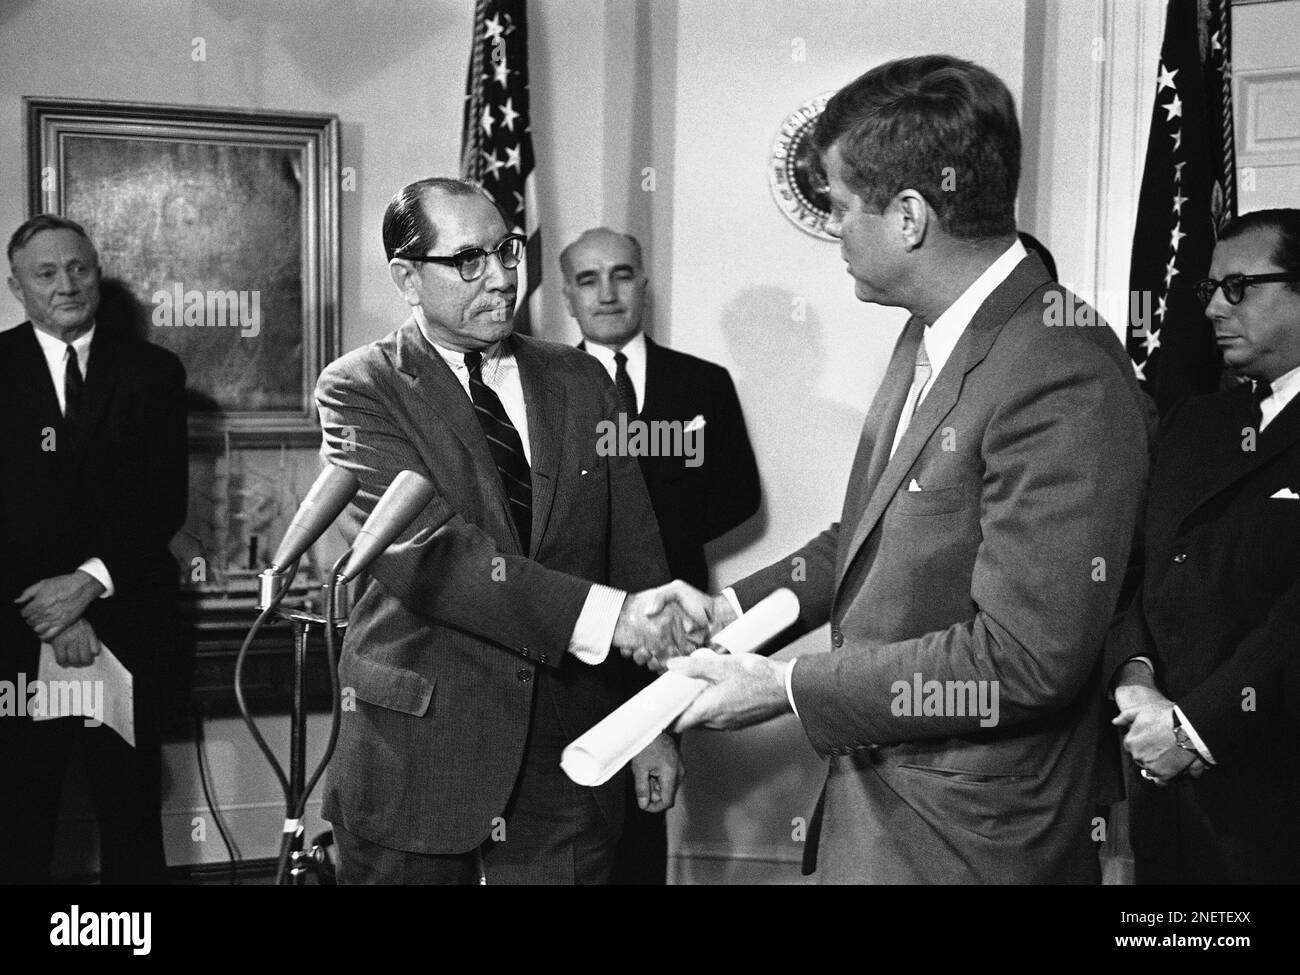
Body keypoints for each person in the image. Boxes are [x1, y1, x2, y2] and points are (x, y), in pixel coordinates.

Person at [664, 55, 1153, 883]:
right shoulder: (931, 331)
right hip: (882, 814)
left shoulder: (1061, 368)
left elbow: (1024, 659)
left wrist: (788, 689)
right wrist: (727, 610)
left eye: (843, 207)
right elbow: (869, 538)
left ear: (910, 216)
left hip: (968, 841)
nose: (836, 232)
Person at [317, 177, 696, 884]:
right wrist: (609, 619)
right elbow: (434, 557)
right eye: (468, 260)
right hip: (419, 756)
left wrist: (652, 725)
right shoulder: (360, 388)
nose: (500, 278)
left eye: (507, 250)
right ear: (406, 276)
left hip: (570, 754)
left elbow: (636, 553)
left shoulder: (583, 379)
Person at [561, 226, 761, 884]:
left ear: (644, 284)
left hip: (668, 635)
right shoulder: (545, 392)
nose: (608, 292)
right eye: (588, 280)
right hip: (569, 637)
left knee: (644, 818)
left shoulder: (702, 385)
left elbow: (736, 494)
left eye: (621, 274)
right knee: (563, 819)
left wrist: (661, 545)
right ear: (567, 295)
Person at [1108, 208, 1300, 884]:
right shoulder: (1195, 422)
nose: (1216, 305)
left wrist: (1192, 729)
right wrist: (1134, 677)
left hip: (1274, 800)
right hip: (1166, 799)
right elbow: (1138, 567)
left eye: (1241, 286)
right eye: (1212, 288)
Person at [0, 214, 187, 884]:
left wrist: (88, 585)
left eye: (78, 268)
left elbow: (161, 502)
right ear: (18, 285)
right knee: (18, 822)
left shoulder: (155, 373)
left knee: (132, 821)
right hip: (19, 639)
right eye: (46, 273)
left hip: (127, 626)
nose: (66, 284)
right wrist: (55, 613)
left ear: (97, 274)